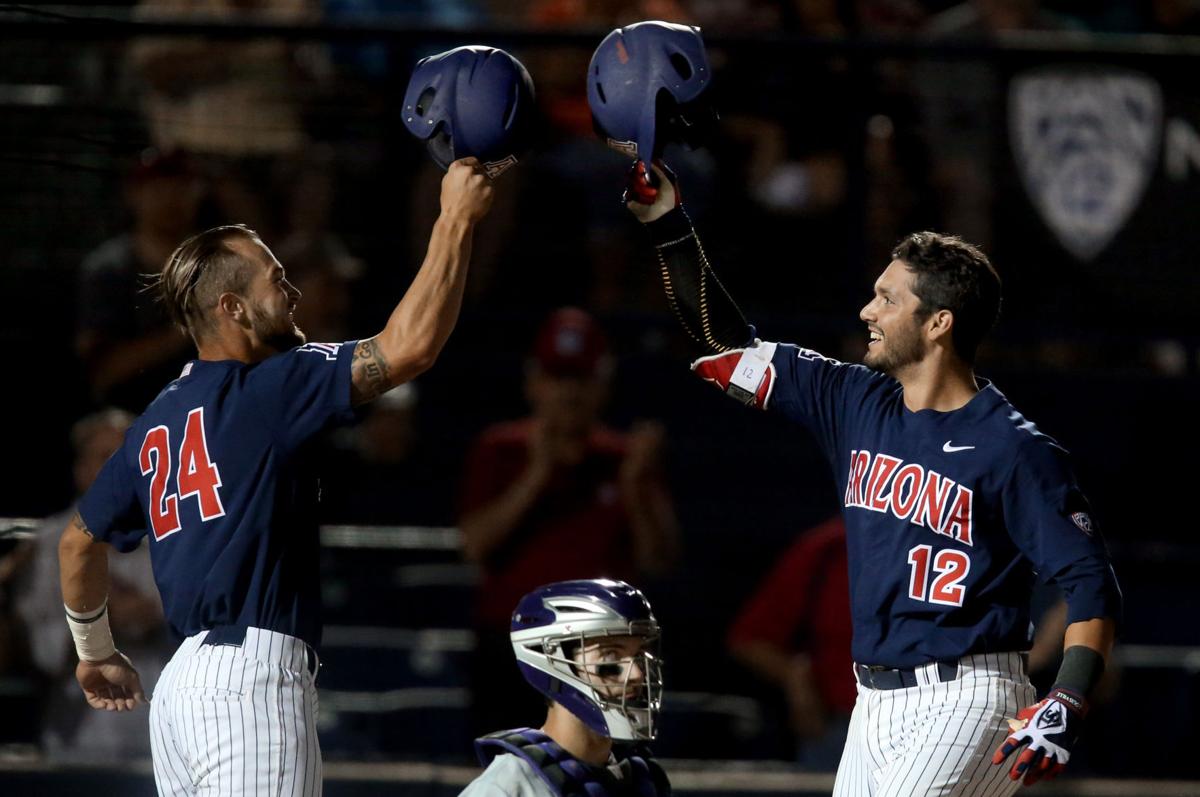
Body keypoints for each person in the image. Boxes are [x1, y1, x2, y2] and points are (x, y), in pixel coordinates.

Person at [624, 162, 1121, 795]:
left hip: (968, 695)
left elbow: (1091, 585)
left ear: (939, 323)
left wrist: (1070, 698)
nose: (868, 309)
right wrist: (668, 224)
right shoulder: (853, 400)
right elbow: (721, 350)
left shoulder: (1014, 448)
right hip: (872, 701)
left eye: (888, 298)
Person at [56, 157, 495, 796]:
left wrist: (94, 652)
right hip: (250, 679)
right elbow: (410, 346)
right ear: (232, 307)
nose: (289, 292)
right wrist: (455, 217)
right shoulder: (268, 386)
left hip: (181, 693)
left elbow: (75, 543)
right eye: (276, 278)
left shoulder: (153, 421)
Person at [458, 307, 679, 737]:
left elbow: (660, 559)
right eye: (558, 377)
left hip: (603, 651)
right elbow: (473, 546)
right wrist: (537, 473)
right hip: (513, 650)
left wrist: (636, 487)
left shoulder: (626, 459)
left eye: (580, 379)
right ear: (534, 382)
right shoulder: (501, 449)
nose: (569, 393)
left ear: (602, 385)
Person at [12, 408, 169, 761]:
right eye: (104, 458)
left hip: (159, 737)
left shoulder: (171, 533)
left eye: (128, 458)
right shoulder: (51, 543)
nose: (121, 470)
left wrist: (134, 610)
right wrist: (99, 617)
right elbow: (44, 651)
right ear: (81, 470)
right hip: (79, 738)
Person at [460, 578, 670, 797]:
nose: (636, 674)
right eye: (610, 655)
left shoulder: (642, 780)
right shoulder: (509, 787)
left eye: (638, 655)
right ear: (552, 660)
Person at [726, 515, 853, 770]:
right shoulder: (828, 548)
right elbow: (748, 639)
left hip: (931, 715)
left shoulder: (947, 545)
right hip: (837, 727)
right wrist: (794, 675)